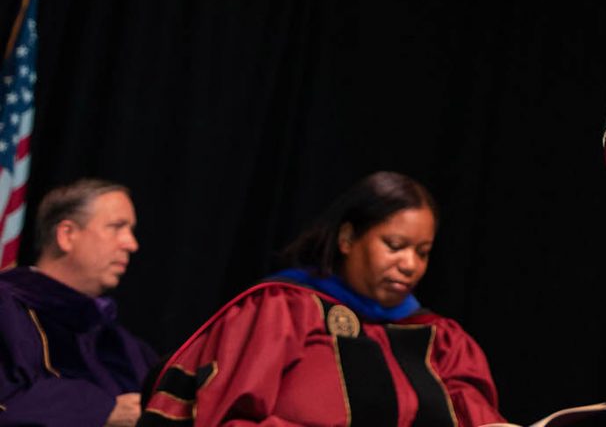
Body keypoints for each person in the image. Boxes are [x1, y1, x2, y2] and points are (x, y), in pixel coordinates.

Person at [139, 172, 502, 427]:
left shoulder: (442, 342)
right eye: (394, 246)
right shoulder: (284, 310)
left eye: (422, 252)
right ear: (347, 239)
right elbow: (230, 417)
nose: (410, 265)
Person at [0, 179, 159, 427]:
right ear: (67, 235)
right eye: (117, 227)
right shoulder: (8, 307)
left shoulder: (125, 345)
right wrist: (103, 411)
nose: (131, 244)